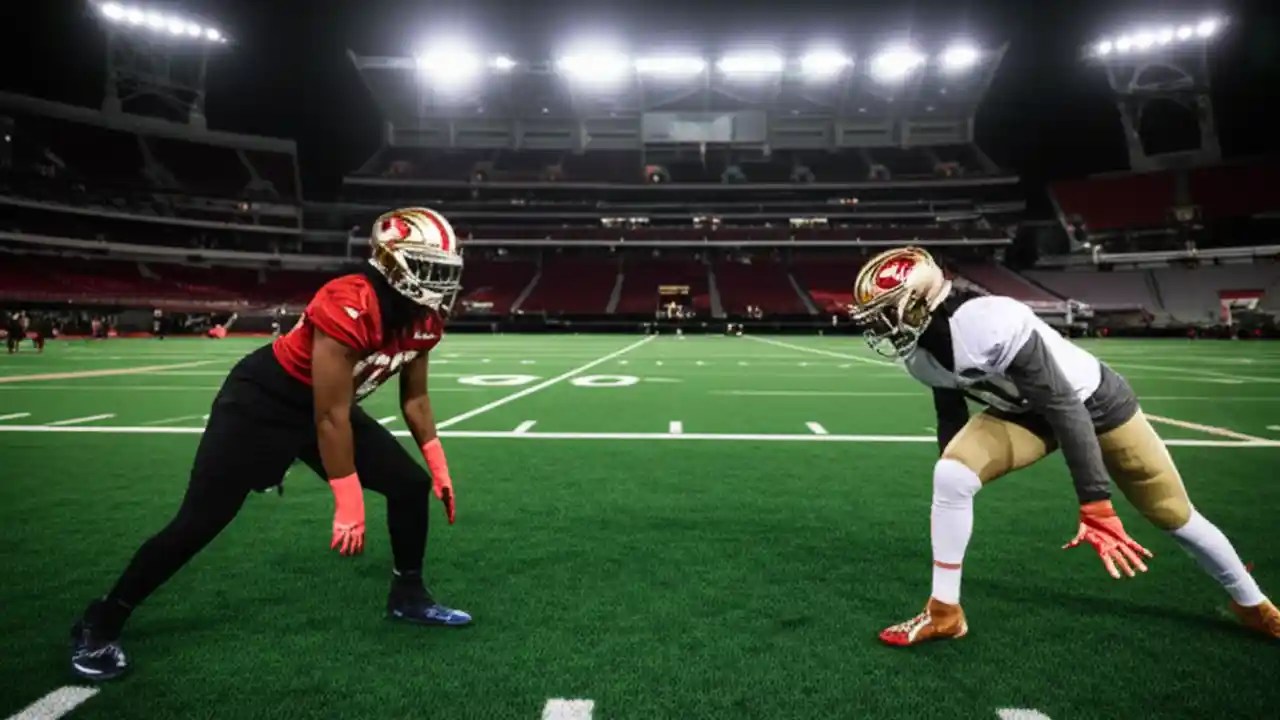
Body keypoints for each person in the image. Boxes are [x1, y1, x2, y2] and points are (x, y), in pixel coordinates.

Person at [69, 207, 472, 682]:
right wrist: (348, 500)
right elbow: (329, 416)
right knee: (201, 520)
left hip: (326, 408)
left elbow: (417, 397)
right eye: (427, 266)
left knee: (409, 485)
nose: (439, 281)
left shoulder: (424, 317)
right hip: (263, 402)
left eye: (444, 268)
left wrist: (438, 463)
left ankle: (409, 595)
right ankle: (101, 620)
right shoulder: (350, 300)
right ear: (388, 261)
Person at [846, 247, 1278, 646]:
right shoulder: (919, 357)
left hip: (1092, 400)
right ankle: (944, 611)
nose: (877, 326)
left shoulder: (987, 320)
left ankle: (1251, 601)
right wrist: (956, 468)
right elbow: (949, 405)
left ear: (921, 302)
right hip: (1024, 410)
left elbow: (1063, 402)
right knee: (952, 476)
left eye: (885, 315)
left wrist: (1095, 502)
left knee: (1173, 515)